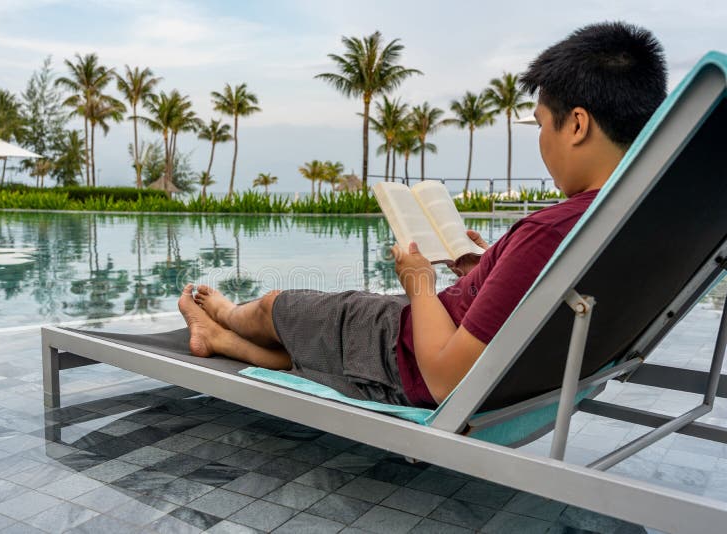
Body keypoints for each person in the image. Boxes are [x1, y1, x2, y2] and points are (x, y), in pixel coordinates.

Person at [177, 21, 668, 409]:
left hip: (404, 355)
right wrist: (485, 273)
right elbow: (528, 303)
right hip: (464, 351)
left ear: (577, 124)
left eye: (541, 124)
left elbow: (444, 378)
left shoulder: (550, 230)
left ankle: (219, 312)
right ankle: (222, 340)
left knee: (274, 305)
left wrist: (419, 283)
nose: (540, 139)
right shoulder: (636, 220)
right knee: (312, 337)